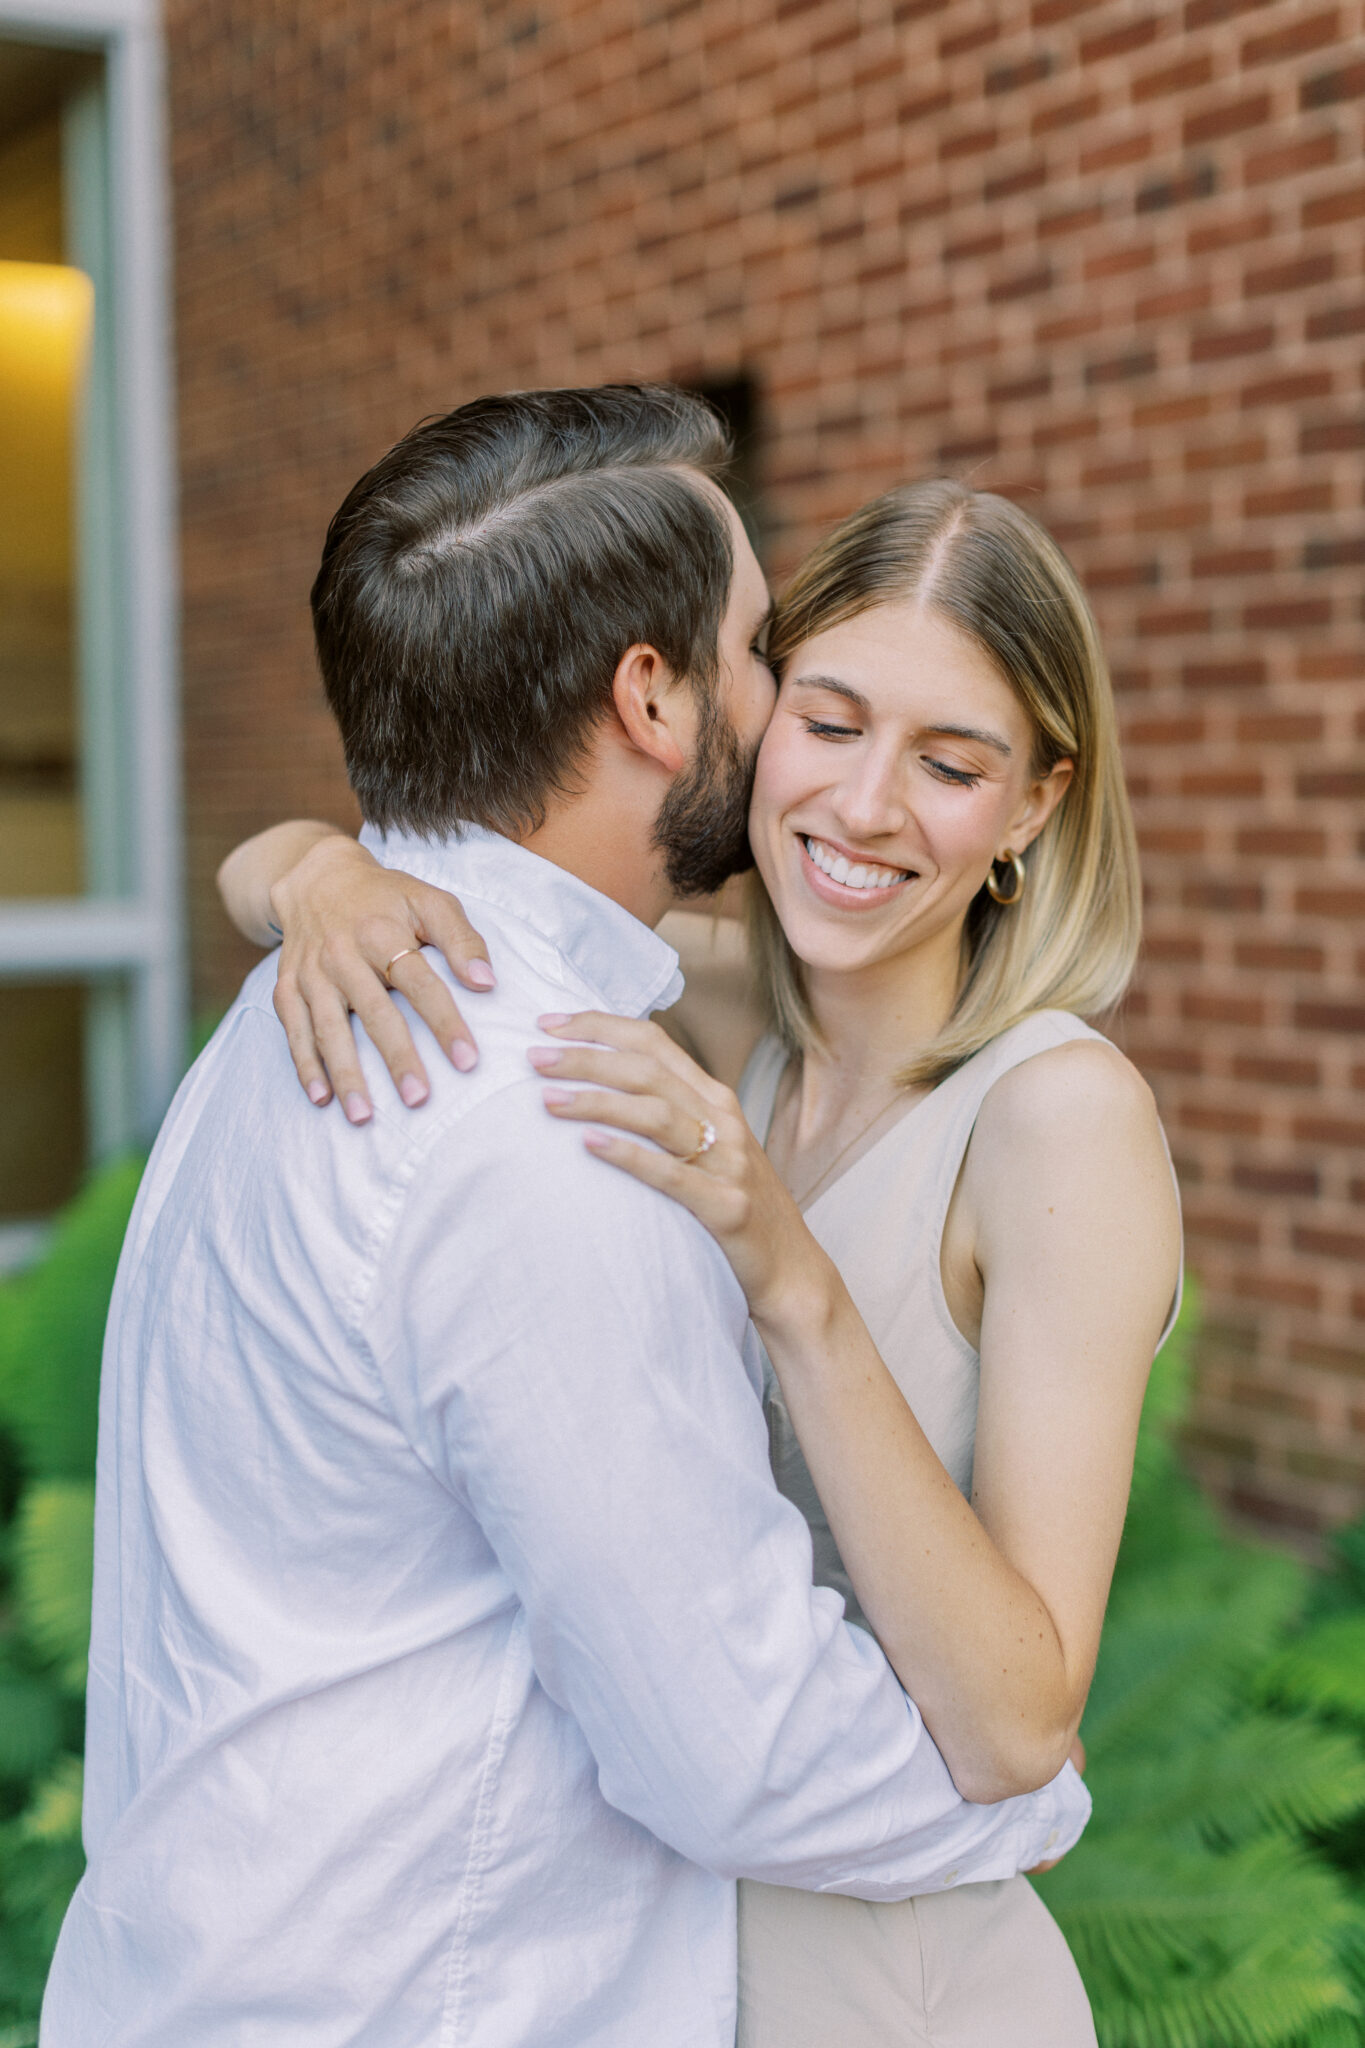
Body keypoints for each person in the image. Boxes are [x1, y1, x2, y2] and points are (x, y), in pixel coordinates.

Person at [43, 389, 1091, 2048]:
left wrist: (309, 872)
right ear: (653, 696)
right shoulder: (553, 1114)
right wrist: (1026, 1821)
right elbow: (729, 1745)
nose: (791, 729)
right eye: (764, 658)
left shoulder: (301, 1008)